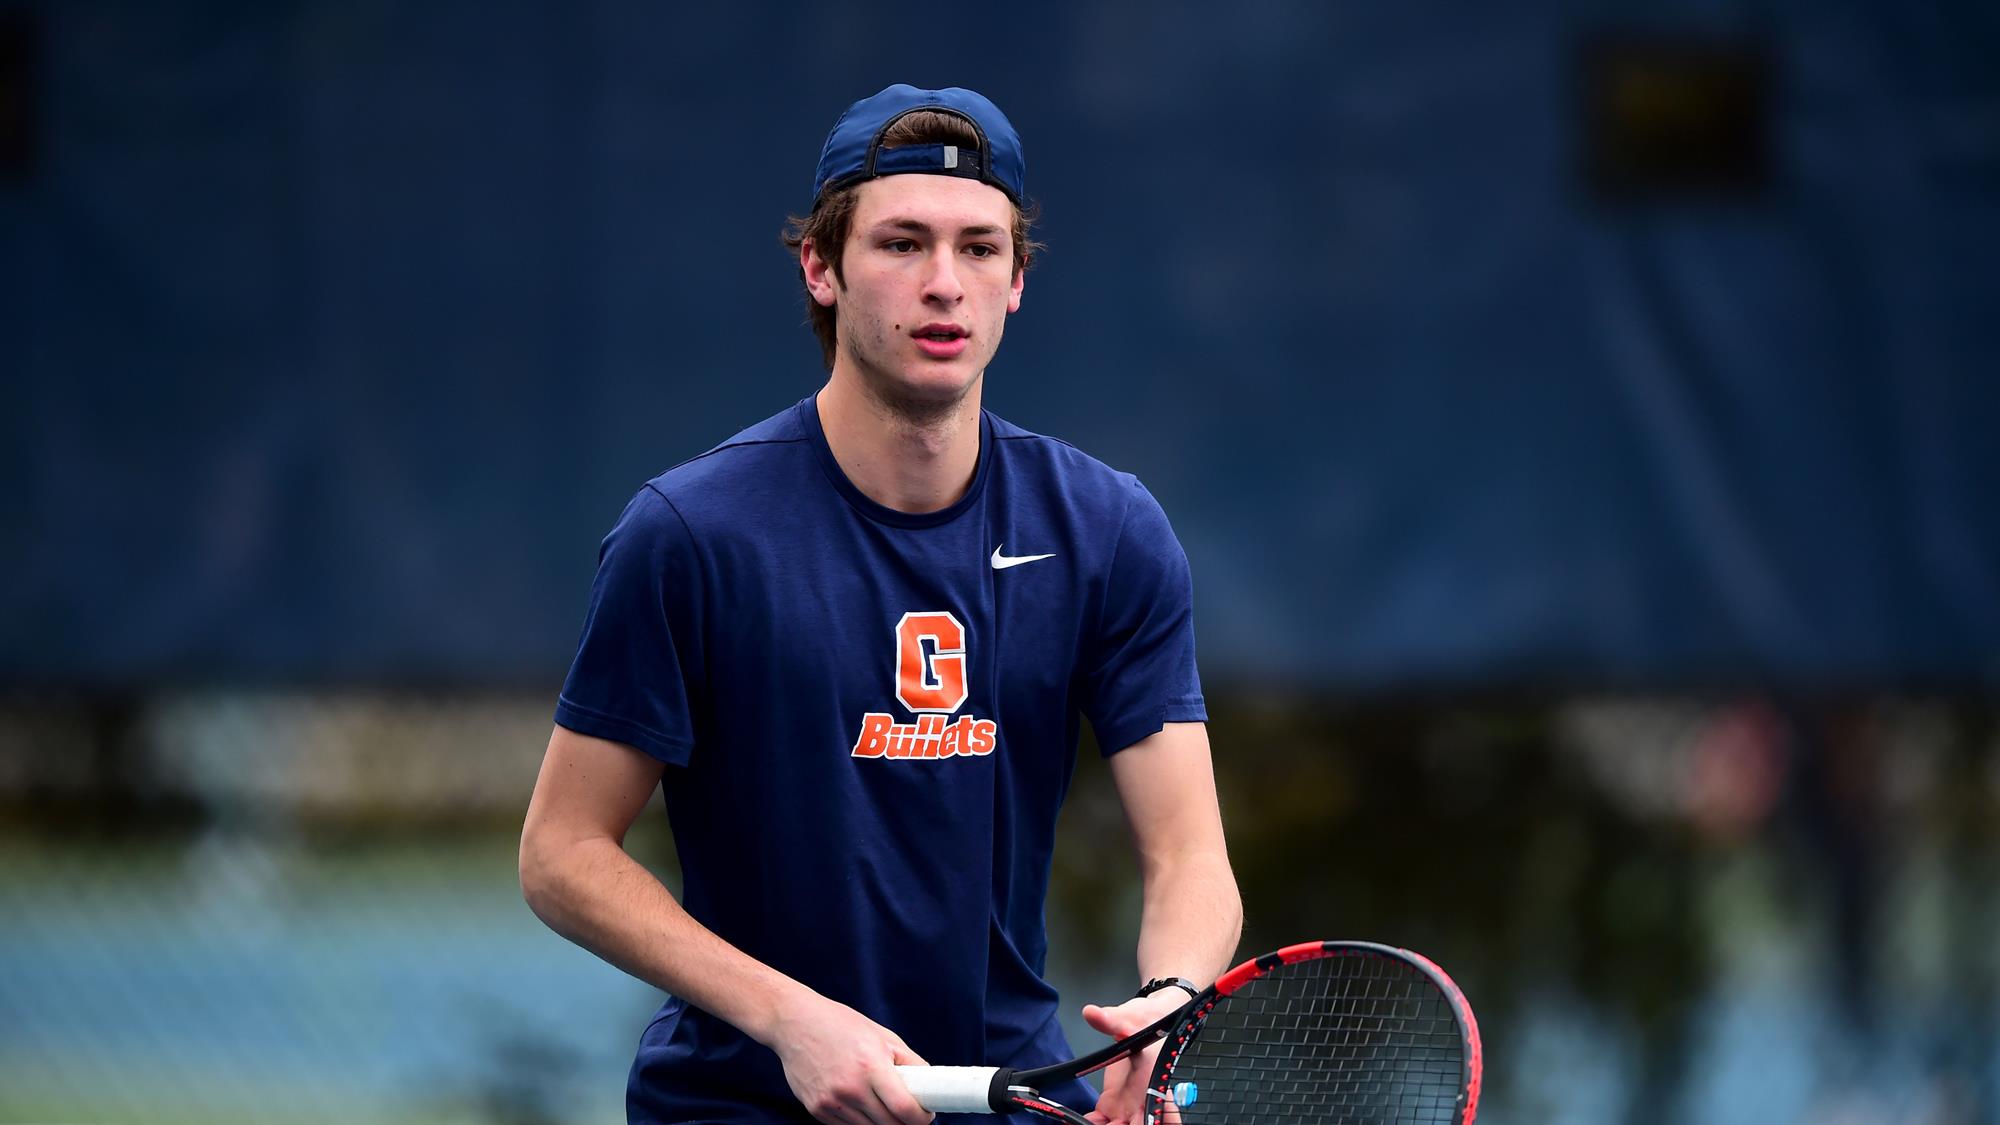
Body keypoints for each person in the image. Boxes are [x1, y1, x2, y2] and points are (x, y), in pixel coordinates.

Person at [519, 84, 1241, 1125]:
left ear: (1017, 280)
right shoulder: (687, 534)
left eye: (980, 248)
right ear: (819, 269)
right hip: (737, 1103)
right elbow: (561, 854)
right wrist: (787, 1018)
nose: (944, 285)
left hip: (1007, 1096)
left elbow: (1187, 858)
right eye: (901, 244)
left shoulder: (1107, 531)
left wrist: (1167, 1003)